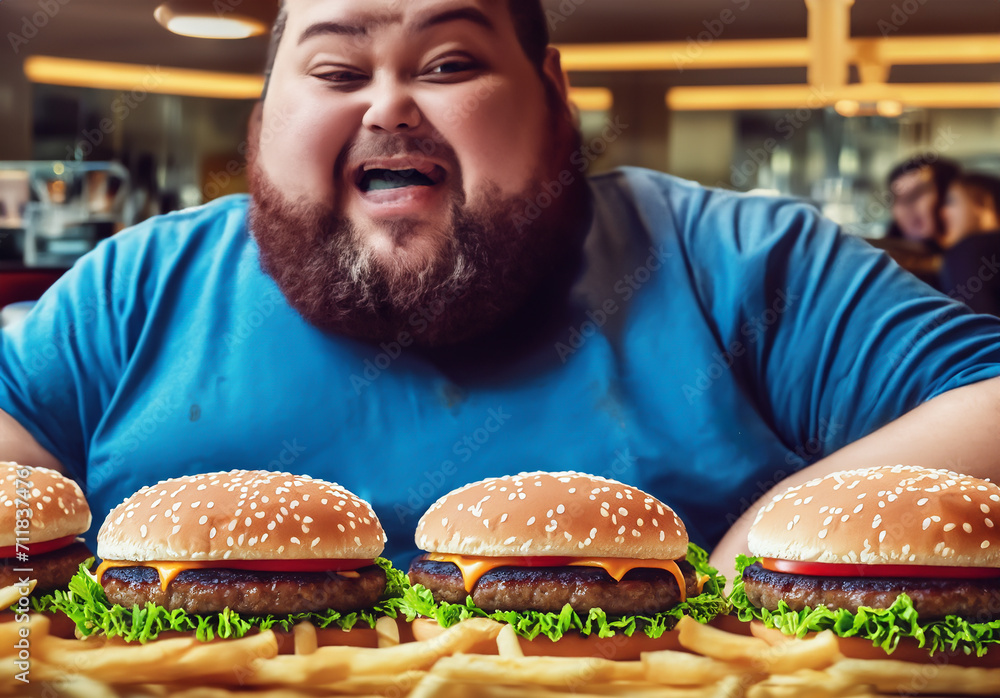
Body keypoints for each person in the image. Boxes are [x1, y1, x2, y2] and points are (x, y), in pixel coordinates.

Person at [2, 0, 1000, 571]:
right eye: (338, 73)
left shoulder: (735, 256)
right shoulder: (140, 282)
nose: (391, 102)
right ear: (261, 125)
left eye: (448, 62)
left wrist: (749, 556)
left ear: (553, 99)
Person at [868, 155, 961, 289]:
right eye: (898, 198)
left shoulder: (975, 258)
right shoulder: (878, 261)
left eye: (919, 192)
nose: (907, 205)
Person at [939, 173, 1000, 316]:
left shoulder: (969, 249)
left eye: (951, 202)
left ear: (983, 203)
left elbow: (978, 328)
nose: (943, 213)